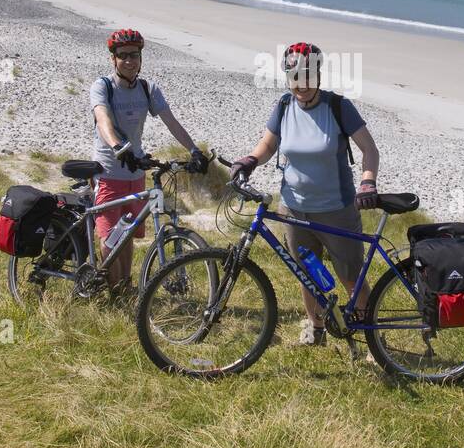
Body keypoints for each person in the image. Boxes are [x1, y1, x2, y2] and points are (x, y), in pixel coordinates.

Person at [229, 42, 381, 345]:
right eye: (294, 76)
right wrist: (249, 160)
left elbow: (369, 149)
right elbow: (268, 145)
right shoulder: (284, 106)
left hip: (336, 209)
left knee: (351, 276)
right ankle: (315, 327)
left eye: (307, 76)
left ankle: (372, 340)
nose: (301, 84)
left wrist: (368, 182)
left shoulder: (338, 107)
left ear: (318, 75)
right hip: (294, 209)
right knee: (305, 273)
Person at [88, 28, 208, 296]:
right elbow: (103, 119)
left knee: (128, 233)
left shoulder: (147, 88)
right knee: (109, 237)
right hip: (108, 171)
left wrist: (194, 151)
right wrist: (118, 147)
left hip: (135, 173)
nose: (129, 61)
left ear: (141, 57)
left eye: (134, 55)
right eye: (123, 56)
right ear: (113, 59)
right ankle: (115, 292)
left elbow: (171, 121)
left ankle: (125, 286)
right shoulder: (103, 86)